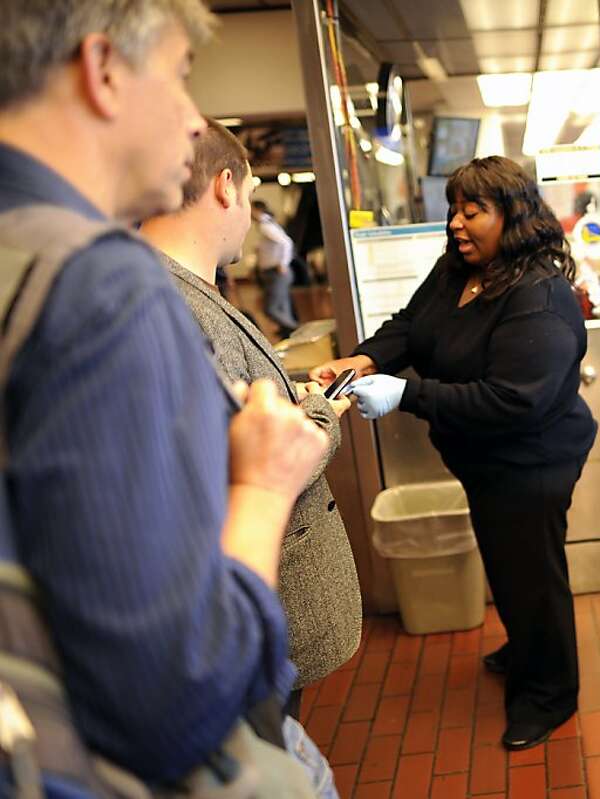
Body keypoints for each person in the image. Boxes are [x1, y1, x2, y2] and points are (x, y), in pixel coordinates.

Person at [0, 0, 330, 789]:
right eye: (181, 78)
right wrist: (261, 484)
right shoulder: (101, 286)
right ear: (104, 70)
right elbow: (179, 698)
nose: (192, 122)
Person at [310, 156, 597, 750]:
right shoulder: (459, 269)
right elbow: (410, 325)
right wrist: (362, 360)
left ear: (514, 216)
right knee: (506, 561)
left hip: (530, 462)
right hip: (480, 457)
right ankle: (525, 643)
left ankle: (550, 694)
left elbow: (511, 401)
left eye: (475, 211)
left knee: (532, 573)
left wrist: (406, 393)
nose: (457, 224)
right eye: (454, 209)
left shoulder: (537, 296)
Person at [140, 119, 363, 704]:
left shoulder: (177, 287)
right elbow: (238, 458)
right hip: (255, 591)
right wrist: (318, 414)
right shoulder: (176, 303)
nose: (247, 212)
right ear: (224, 186)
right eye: (250, 191)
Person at [253, 198, 300, 337]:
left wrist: (283, 263)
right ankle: (293, 334)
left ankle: (297, 331)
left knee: (271, 309)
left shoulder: (265, 225)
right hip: (274, 272)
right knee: (283, 308)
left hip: (276, 272)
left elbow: (286, 242)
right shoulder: (267, 223)